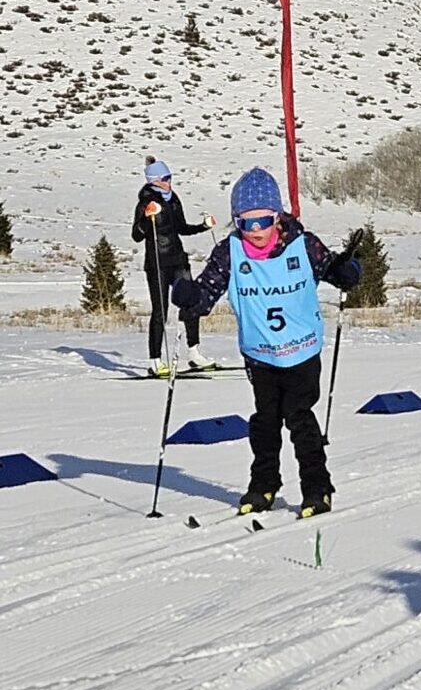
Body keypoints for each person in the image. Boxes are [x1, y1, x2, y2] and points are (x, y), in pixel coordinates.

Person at [171, 168, 361, 518]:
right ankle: (263, 486)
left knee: (299, 418)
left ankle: (317, 487)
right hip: (260, 355)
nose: (256, 231)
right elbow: (205, 296)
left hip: (302, 350)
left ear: (278, 217)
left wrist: (349, 272)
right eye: (246, 223)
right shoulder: (230, 253)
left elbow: (335, 271)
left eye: (264, 221)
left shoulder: (303, 245)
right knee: (265, 421)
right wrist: (186, 296)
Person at [130, 157, 218, 375]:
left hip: (178, 259)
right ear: (154, 181)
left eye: (170, 178)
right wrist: (146, 218)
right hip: (157, 263)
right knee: (160, 311)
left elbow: (181, 228)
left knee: (191, 302)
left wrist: (203, 227)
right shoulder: (146, 202)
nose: (169, 182)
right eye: (165, 179)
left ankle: (194, 353)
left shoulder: (173, 199)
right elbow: (136, 235)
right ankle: (155, 361)